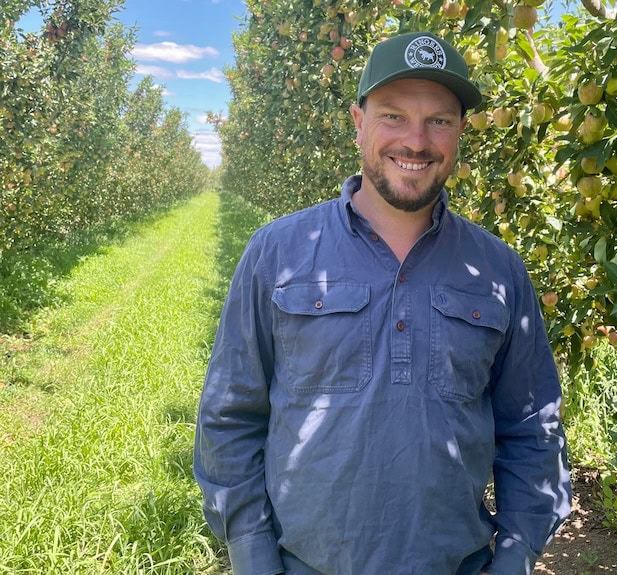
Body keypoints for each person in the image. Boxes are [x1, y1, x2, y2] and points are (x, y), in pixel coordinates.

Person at [193, 31, 572, 575]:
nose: (416, 141)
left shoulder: (497, 271)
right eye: (393, 116)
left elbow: (533, 426)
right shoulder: (278, 253)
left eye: (439, 120)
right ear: (358, 123)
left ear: (460, 132)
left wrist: (516, 554)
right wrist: (251, 552)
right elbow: (230, 414)